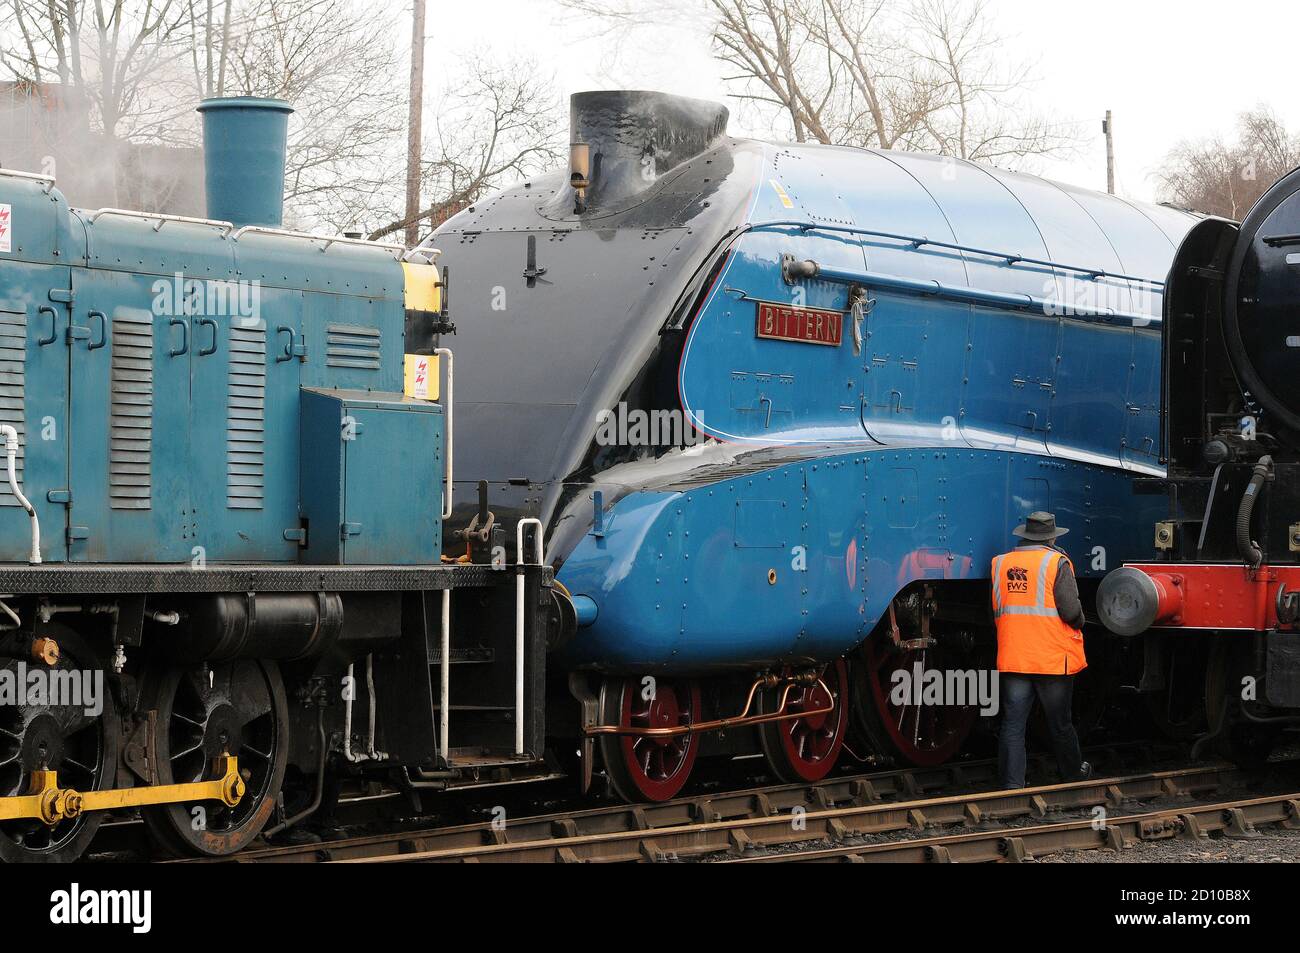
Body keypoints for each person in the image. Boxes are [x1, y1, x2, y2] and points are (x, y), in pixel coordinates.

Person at [990, 511, 1091, 789]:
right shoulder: (1056, 562)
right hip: (1051, 659)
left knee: (1012, 724)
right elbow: (1071, 611)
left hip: (1014, 656)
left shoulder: (1000, 564)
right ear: (1051, 538)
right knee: (1060, 723)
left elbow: (998, 610)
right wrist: (1081, 622)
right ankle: (1072, 775)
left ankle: (1011, 785)